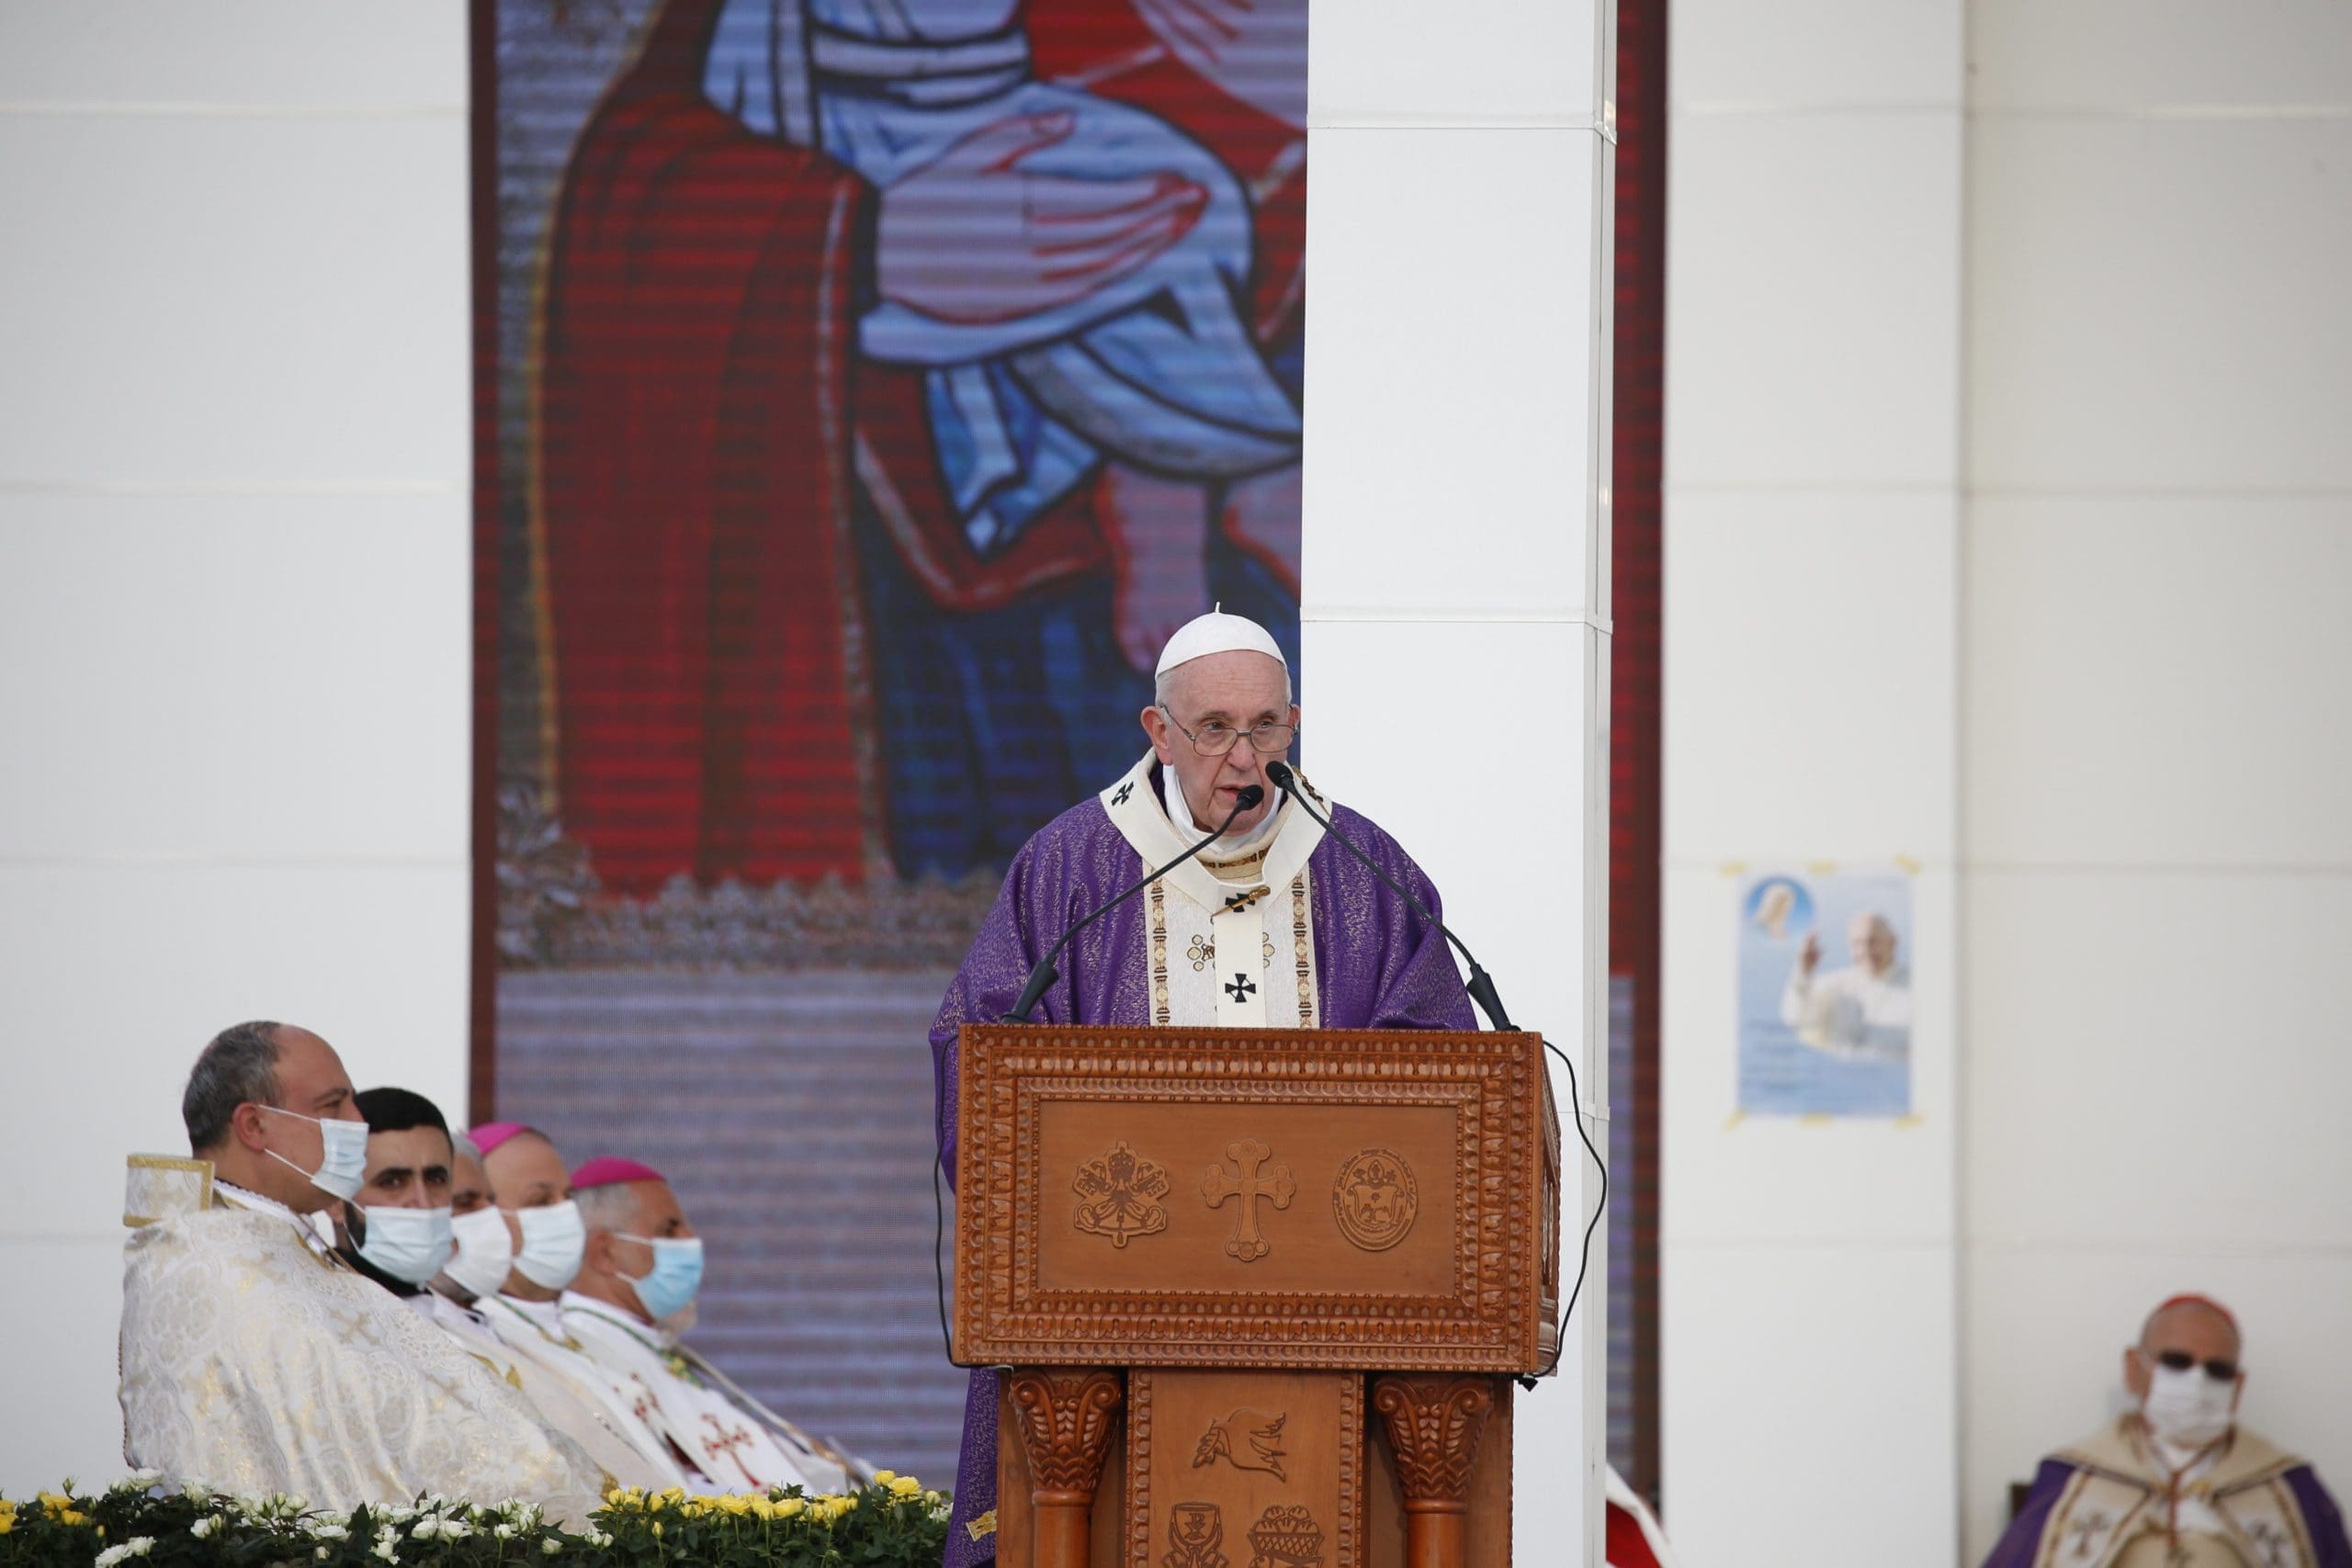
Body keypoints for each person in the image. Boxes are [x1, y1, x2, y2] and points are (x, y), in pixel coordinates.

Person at [535, 0, 1307, 890]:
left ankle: (1186, 463)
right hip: (896, 541)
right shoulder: (750, 45)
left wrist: (1298, 86)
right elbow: (639, 189)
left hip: (1037, 162)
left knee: (1176, 210)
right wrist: (865, 240)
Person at [928, 607, 1476, 1562]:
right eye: (1214, 729)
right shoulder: (1072, 868)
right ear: (1158, 733)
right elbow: (982, 1041)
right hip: (1106, 1304)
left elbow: (1436, 1065)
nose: (1243, 756)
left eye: (1265, 727)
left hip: (1335, 1309)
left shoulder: (1363, 868)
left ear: (1292, 727)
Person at [118, 1021, 604, 1517]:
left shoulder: (273, 1241)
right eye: (333, 1107)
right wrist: (533, 1473)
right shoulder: (216, 1265)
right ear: (254, 1126)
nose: (357, 1121)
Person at [561, 1156, 864, 1494]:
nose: (690, 1239)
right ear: (605, 1252)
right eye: (669, 1228)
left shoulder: (645, 1341)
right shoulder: (583, 1352)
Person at [1983, 1294, 2351, 1567]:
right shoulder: (2073, 1477)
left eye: (2217, 1370)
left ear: (2238, 1386)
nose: (2197, 1381)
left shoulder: (2289, 1486)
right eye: (2177, 1362)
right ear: (2134, 1368)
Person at [464, 1122, 690, 1485]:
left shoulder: (571, 1331)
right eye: (540, 1201)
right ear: (484, 1217)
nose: (566, 1213)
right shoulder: (477, 1340)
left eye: (567, 1196)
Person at [1780, 909, 1911, 1058]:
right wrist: (1803, 972)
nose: (1866, 950)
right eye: (1857, 944)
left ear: (1893, 942)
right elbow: (1796, 1019)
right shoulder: (1834, 984)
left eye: (1873, 942)